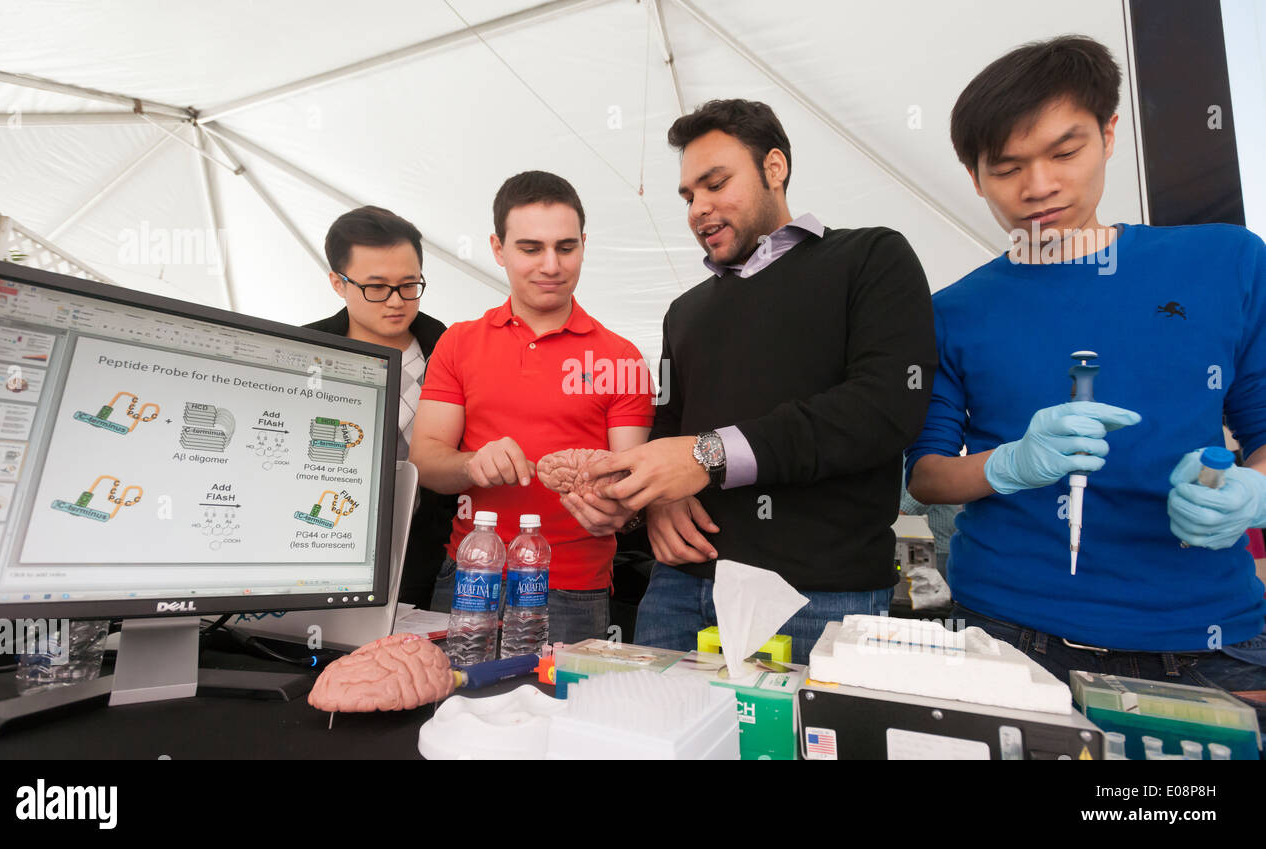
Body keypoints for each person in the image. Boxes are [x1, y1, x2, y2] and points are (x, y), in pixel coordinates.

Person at [906, 36, 1266, 710]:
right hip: (1012, 638)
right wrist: (1010, 463)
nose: (1038, 186)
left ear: (1108, 133)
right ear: (974, 173)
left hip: (1213, 640)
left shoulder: (1227, 264)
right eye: (1007, 166)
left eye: (1065, 152)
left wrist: (1250, 490)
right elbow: (926, 472)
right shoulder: (952, 311)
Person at [584, 99, 937, 664]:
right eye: (688, 196)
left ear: (775, 167)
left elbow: (886, 406)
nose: (699, 207)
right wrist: (656, 500)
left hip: (818, 596)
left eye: (716, 183)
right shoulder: (684, 311)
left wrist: (707, 456)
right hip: (678, 589)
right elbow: (668, 428)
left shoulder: (870, 257)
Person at [409, 171, 655, 645]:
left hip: (573, 587)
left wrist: (619, 506)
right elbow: (425, 461)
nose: (551, 265)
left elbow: (629, 478)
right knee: (451, 711)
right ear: (498, 249)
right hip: (472, 575)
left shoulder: (621, 358)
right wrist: (473, 464)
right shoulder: (458, 343)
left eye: (566, 247)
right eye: (530, 248)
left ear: (583, 245)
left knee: (559, 715)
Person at [303, 205, 455, 608]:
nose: (395, 301)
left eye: (409, 285)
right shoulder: (300, 354)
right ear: (338, 283)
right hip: (317, 554)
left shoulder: (453, 354)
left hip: (424, 566)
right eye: (376, 287)